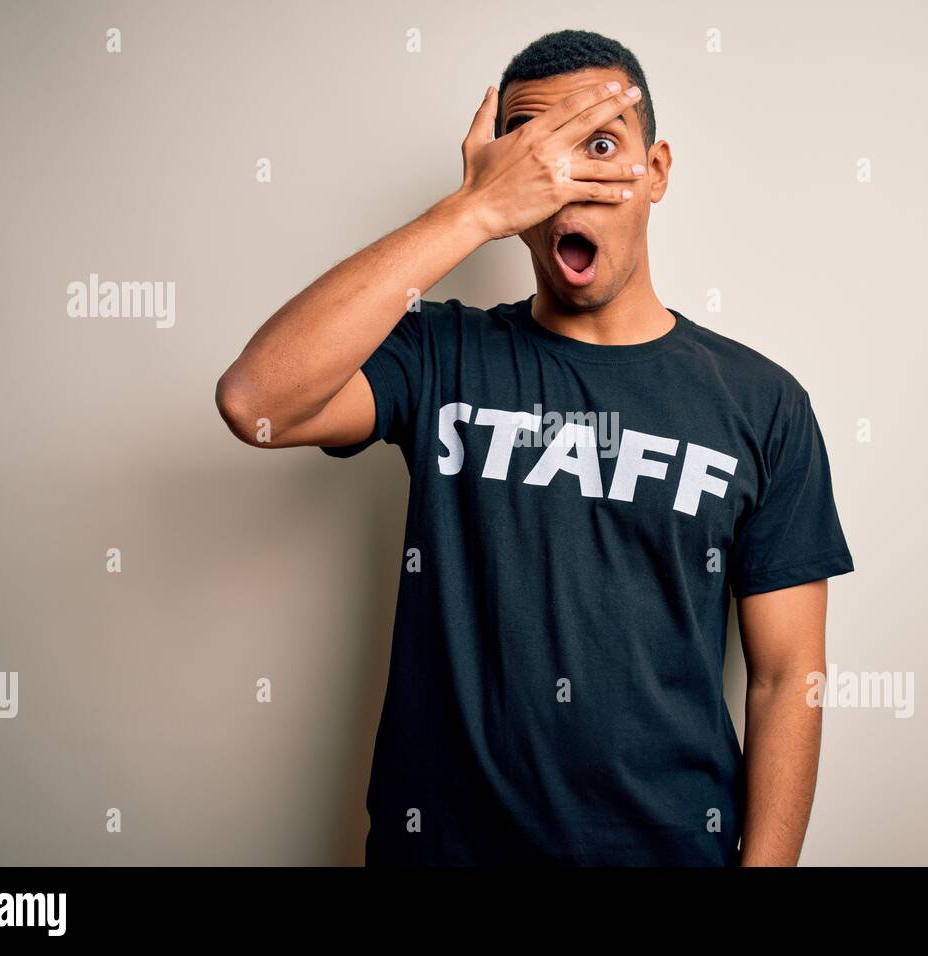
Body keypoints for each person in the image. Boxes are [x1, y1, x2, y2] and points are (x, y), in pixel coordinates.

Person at [216, 29, 854, 866]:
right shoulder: (440, 355)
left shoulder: (762, 404)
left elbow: (785, 681)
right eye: (533, 154)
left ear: (656, 171)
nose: (565, 182)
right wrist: (472, 209)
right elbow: (255, 400)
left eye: (598, 146)